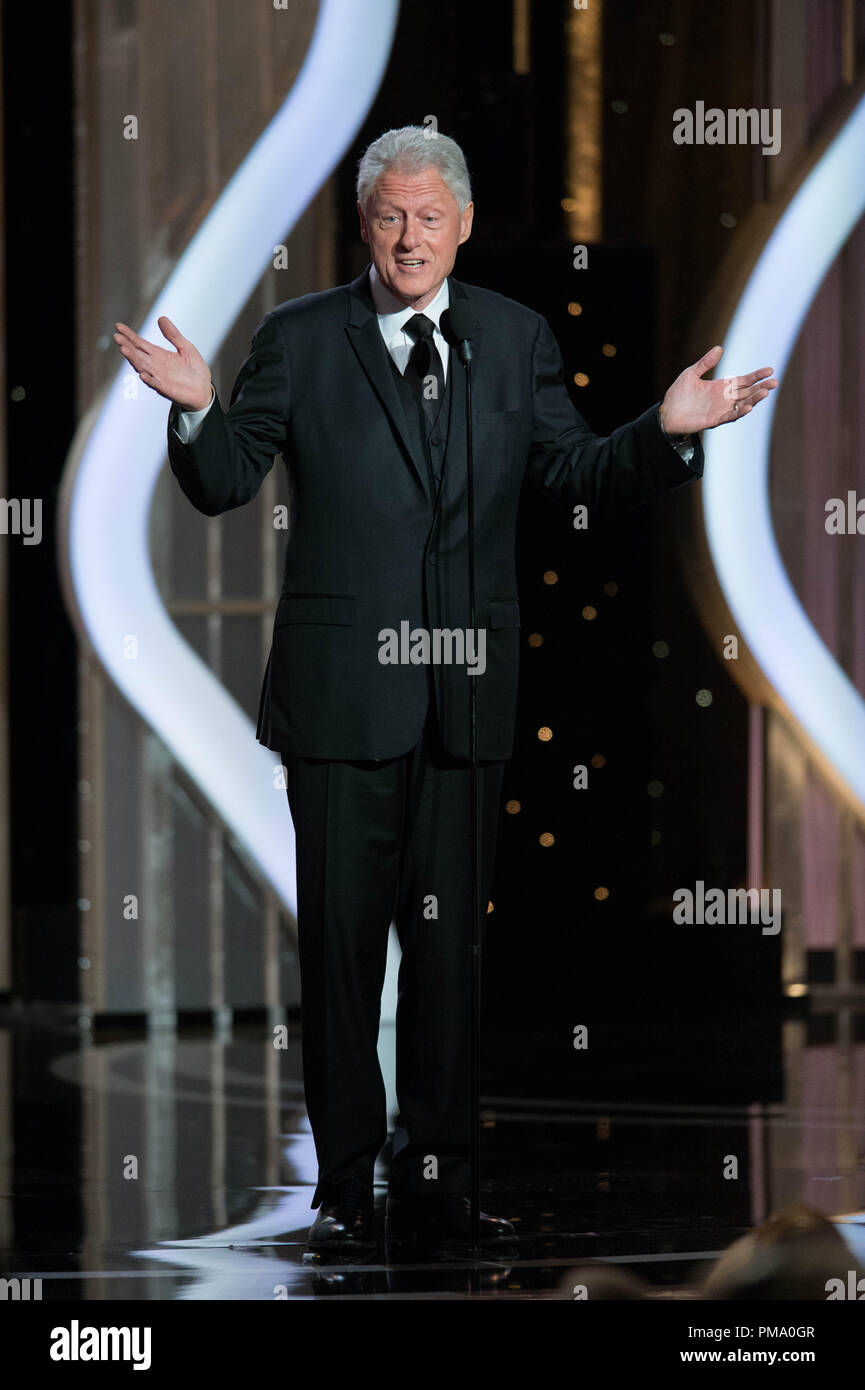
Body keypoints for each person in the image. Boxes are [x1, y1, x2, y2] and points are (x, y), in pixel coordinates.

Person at [114, 125, 777, 1256]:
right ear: (364, 225)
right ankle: (344, 1187)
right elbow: (224, 480)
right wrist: (192, 408)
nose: (409, 236)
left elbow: (569, 470)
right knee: (339, 956)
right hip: (339, 702)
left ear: (462, 226)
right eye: (389, 216)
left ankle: (440, 1182)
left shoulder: (513, 338)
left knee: (449, 962)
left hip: (462, 703)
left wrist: (662, 436)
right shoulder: (299, 336)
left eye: (430, 217)